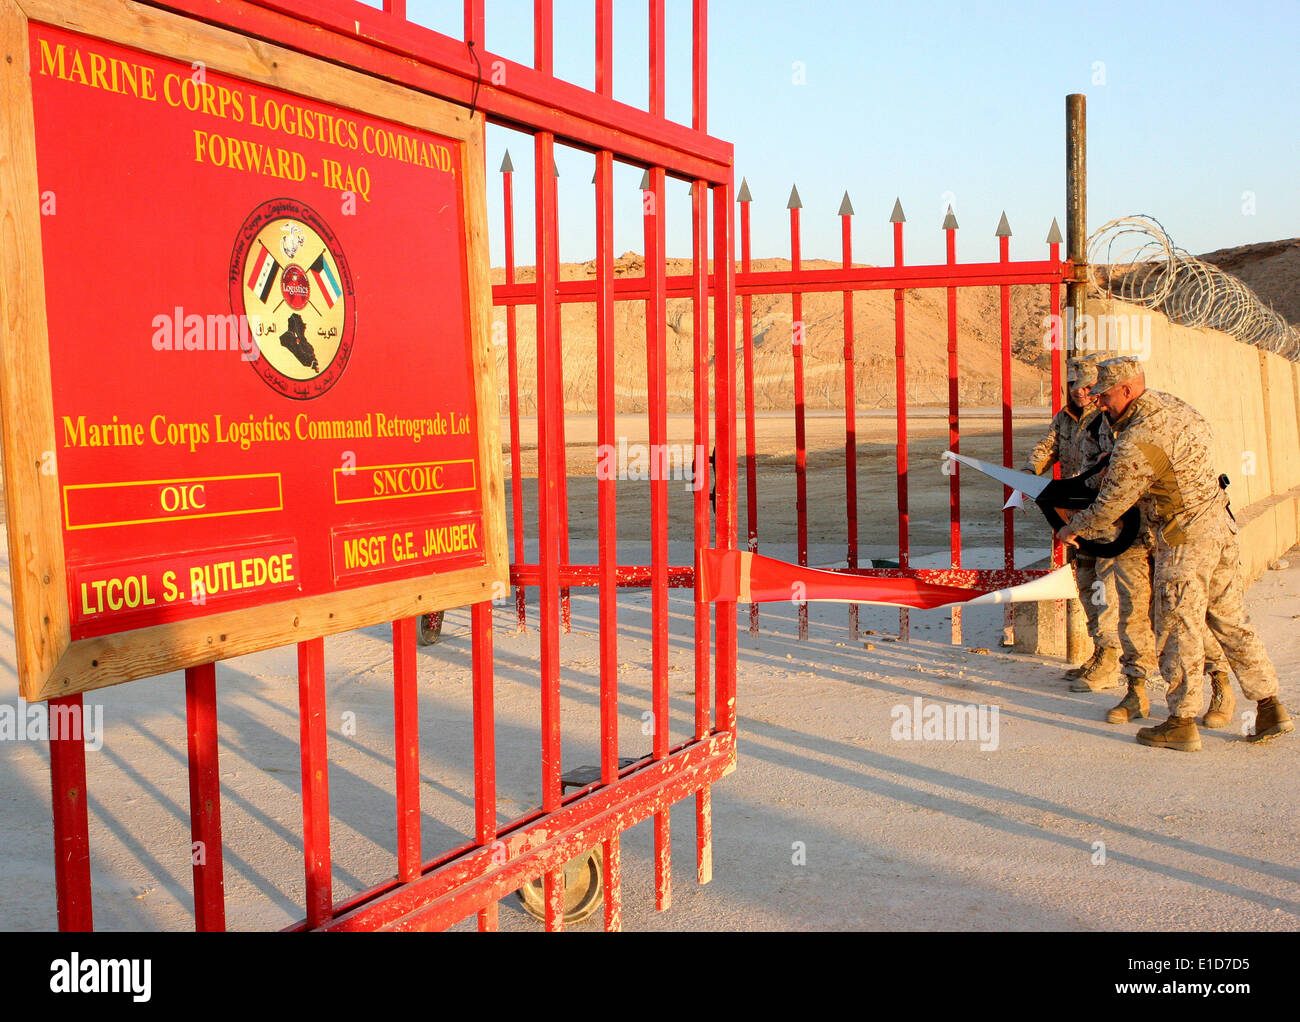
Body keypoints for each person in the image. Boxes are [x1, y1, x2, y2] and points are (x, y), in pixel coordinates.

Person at [1056, 356, 1294, 751]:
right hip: (1219, 527)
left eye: (1105, 395)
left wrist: (1072, 528)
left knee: (1178, 626)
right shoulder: (1176, 408)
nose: (1099, 402)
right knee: (1231, 620)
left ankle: (1181, 721)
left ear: (1128, 390)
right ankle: (1270, 705)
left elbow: (1111, 505)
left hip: (1183, 540)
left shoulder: (1137, 438)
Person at [1023, 358, 1120, 692]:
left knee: (1105, 585)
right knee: (1085, 580)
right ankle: (1100, 651)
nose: (1079, 392)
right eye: (1073, 385)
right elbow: (1048, 447)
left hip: (1106, 516)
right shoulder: (1065, 418)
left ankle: (1110, 658)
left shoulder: (1108, 419)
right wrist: (1027, 474)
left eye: (1087, 386)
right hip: (1077, 515)